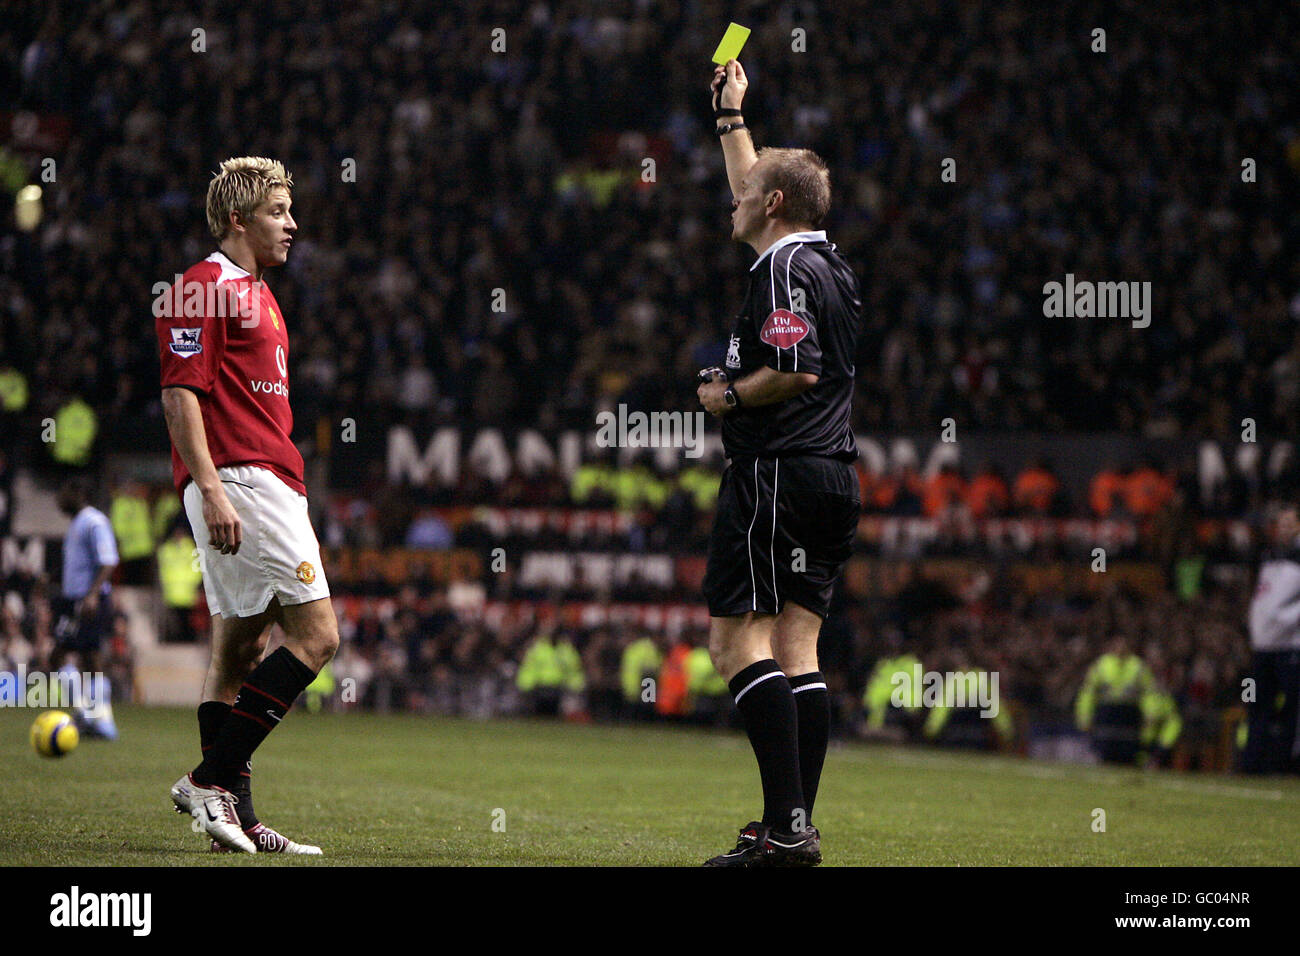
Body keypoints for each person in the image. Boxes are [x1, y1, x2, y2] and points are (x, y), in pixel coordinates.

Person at [696, 60, 863, 866]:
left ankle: (787, 828)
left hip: (777, 472)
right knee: (799, 650)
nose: (731, 199)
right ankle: (790, 828)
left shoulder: (786, 268)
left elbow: (795, 371)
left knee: (735, 646)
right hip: (831, 475)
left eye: (743, 192)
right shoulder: (822, 261)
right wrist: (732, 119)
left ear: (772, 205)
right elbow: (757, 187)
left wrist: (726, 396)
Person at [157, 157, 338, 854]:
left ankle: (233, 817)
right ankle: (210, 780)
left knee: (238, 650)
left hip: (264, 479)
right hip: (242, 480)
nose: (292, 225)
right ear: (239, 218)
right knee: (319, 637)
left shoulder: (259, 292)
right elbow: (181, 395)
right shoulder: (199, 289)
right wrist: (210, 487)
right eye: (278, 212)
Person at [55, 478, 119, 734]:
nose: (59, 498)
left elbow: (108, 560)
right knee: (66, 654)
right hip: (73, 599)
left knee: (91, 656)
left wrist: (92, 595)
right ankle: (86, 715)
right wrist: (50, 577)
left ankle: (102, 721)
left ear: (79, 491)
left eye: (64, 491)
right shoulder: (77, 523)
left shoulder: (94, 521)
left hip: (89, 599)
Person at [1240, 504, 1300, 774]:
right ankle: (1252, 763)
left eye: (1290, 522)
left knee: (1291, 709)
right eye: (1281, 523)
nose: (1283, 528)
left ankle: (1285, 764)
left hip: (1290, 647)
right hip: (1263, 648)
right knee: (1255, 704)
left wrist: (1285, 619)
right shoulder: (1270, 555)